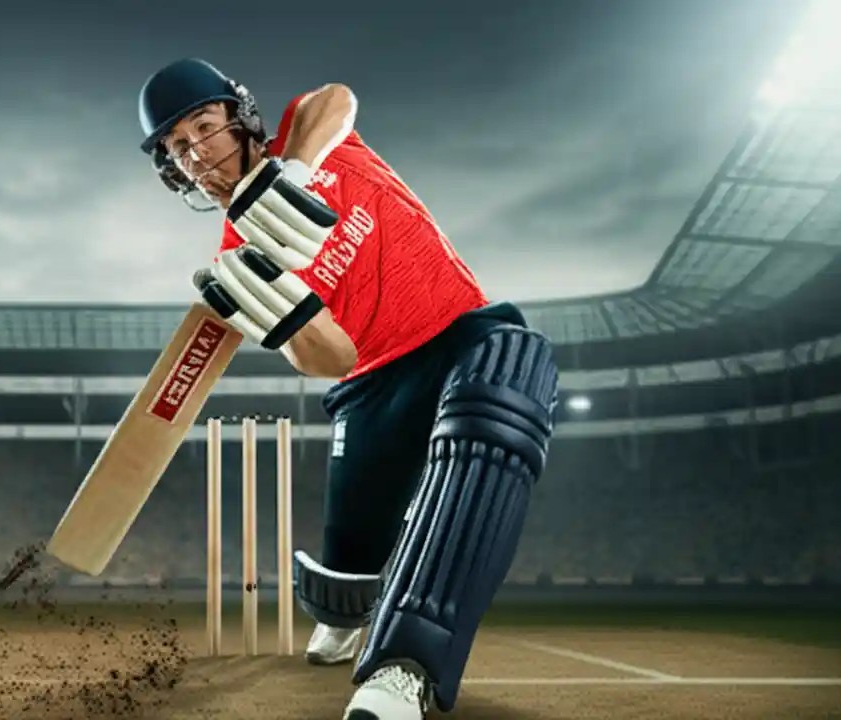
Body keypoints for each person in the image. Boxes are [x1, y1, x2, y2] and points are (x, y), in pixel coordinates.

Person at [138, 58, 559, 719]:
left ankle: (405, 666)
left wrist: (294, 174)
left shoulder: (310, 135)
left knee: (504, 392)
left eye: (205, 126)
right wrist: (288, 319)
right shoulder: (240, 255)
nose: (197, 154)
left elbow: (335, 98)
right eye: (178, 147)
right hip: (371, 385)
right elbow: (334, 357)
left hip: (460, 330)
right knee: (349, 560)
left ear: (241, 117)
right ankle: (341, 615)